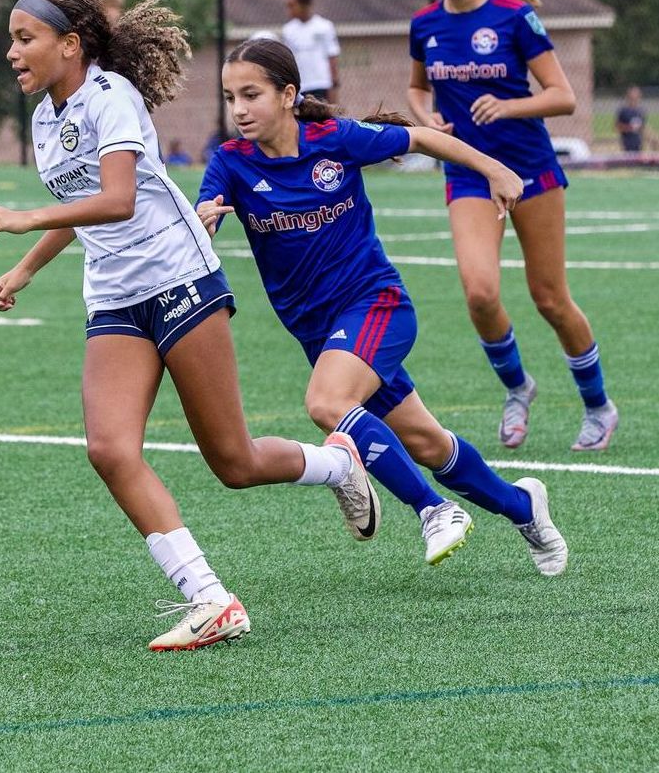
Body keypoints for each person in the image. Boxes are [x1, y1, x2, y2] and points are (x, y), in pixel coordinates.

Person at [0, 0, 381, 651]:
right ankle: (209, 598)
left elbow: (118, 199)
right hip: (111, 296)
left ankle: (337, 464)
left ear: (69, 46)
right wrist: (25, 268)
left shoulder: (113, 98)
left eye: (24, 39)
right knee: (108, 450)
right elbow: (83, 200)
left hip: (179, 281)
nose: (11, 52)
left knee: (234, 461)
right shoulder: (47, 116)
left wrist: (25, 218)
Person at [197, 38, 568, 575]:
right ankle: (523, 506)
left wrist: (493, 168)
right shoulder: (231, 163)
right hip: (321, 335)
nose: (239, 110)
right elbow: (204, 212)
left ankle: (433, 511)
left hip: (376, 304)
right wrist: (203, 222)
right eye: (231, 97)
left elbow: (421, 137)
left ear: (288, 94)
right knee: (427, 443)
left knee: (326, 403)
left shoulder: (335, 140)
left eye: (251, 94)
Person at [408, 0, 617, 453]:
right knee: (479, 293)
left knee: (549, 298)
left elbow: (563, 96)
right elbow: (416, 89)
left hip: (531, 172)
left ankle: (598, 405)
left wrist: (510, 105)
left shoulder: (514, 18)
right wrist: (426, 118)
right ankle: (518, 389)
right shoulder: (425, 24)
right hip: (468, 173)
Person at [282, 0, 340, 103]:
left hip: (321, 84)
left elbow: (332, 57)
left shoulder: (324, 26)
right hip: (300, 86)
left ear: (304, 4)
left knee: (324, 120)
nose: (289, 9)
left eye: (292, 5)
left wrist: (333, 85)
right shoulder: (288, 30)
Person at [615, 85, 648, 153]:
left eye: (637, 97)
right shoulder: (623, 111)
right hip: (627, 142)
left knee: (638, 158)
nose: (634, 99)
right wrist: (630, 128)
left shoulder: (641, 111)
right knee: (629, 160)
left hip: (638, 142)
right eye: (632, 97)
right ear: (628, 97)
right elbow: (617, 127)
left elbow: (642, 127)